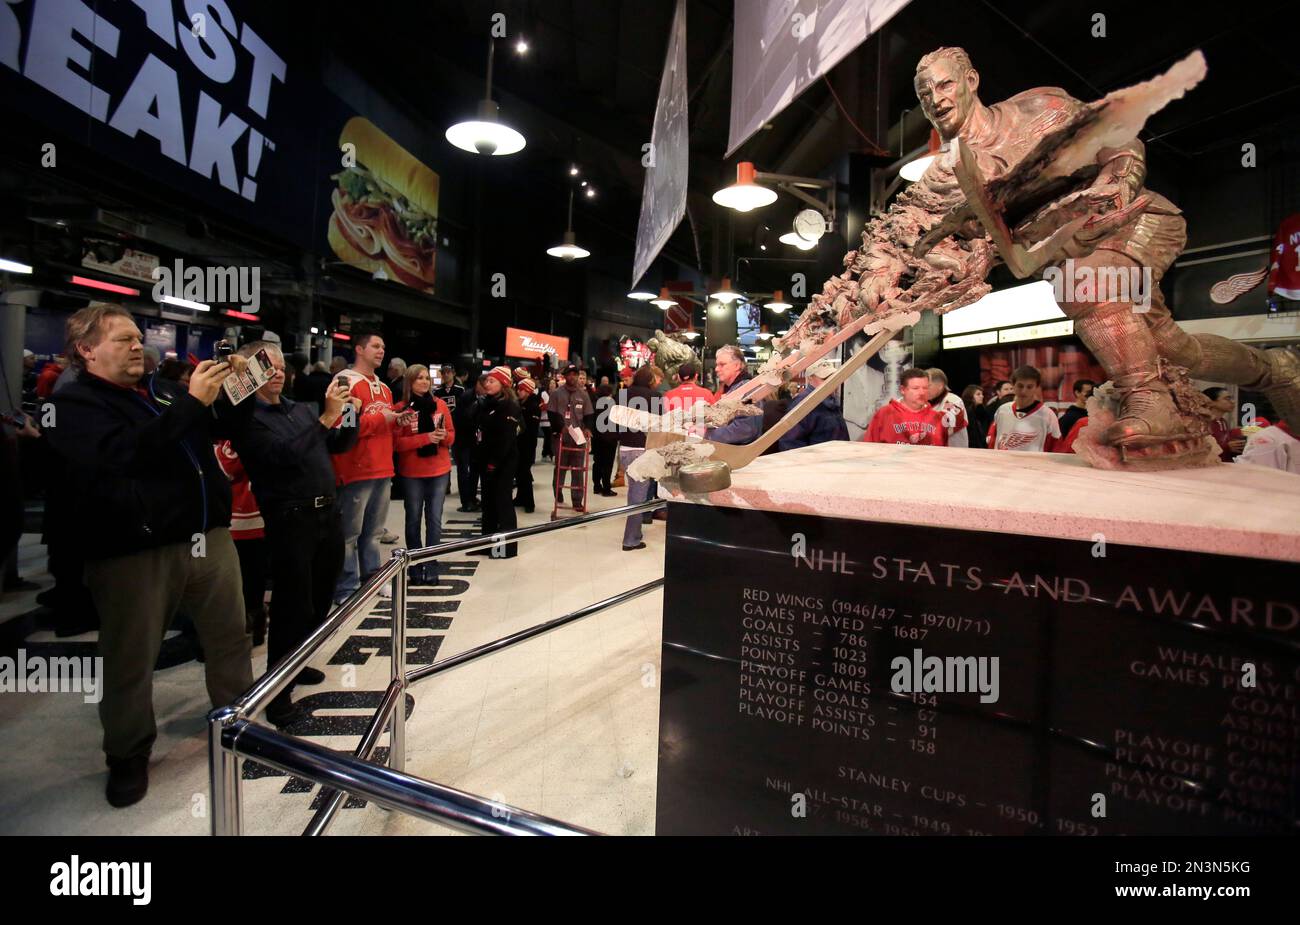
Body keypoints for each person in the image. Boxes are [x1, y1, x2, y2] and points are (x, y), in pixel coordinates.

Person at [43, 304, 254, 806]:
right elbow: (128, 456)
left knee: (229, 637)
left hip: (206, 537)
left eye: (139, 337)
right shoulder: (73, 404)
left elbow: (221, 431)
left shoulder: (161, 392)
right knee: (130, 658)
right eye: (122, 339)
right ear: (86, 349)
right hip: (134, 552)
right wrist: (191, 404)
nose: (138, 345)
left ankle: (240, 719)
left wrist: (236, 389)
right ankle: (128, 753)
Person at [227, 341, 359, 728]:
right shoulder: (246, 418)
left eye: (282, 365)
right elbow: (283, 457)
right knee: (291, 606)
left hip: (326, 515)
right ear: (247, 372)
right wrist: (325, 419)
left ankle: (297, 664)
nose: (278, 372)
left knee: (320, 602)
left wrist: (346, 414)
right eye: (267, 366)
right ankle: (277, 691)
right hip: (290, 520)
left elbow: (337, 444)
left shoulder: (300, 409)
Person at [330, 332, 415, 604]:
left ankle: (371, 579)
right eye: (376, 346)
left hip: (382, 468)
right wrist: (383, 419)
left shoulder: (385, 387)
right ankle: (346, 588)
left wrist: (396, 421)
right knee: (349, 535)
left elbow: (381, 422)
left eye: (383, 346)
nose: (381, 351)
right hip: (356, 469)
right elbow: (342, 427)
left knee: (373, 533)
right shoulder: (344, 382)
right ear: (359, 349)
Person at [394, 365, 454, 584]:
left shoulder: (440, 405)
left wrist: (443, 436)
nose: (424, 381)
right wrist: (425, 438)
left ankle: (431, 564)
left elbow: (452, 436)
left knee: (435, 521)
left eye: (427, 378)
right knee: (413, 520)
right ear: (410, 382)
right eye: (419, 378)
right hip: (412, 472)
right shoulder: (401, 408)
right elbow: (397, 443)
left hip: (439, 470)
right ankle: (416, 565)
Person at [213, 439, 268, 647]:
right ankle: (243, 628)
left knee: (252, 578)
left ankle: (252, 628)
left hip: (252, 516)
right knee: (236, 581)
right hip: (230, 519)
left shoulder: (244, 435)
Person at [474, 366, 521, 557]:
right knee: (488, 504)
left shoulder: (510, 406)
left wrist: (494, 462)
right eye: (486, 381)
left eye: (492, 381)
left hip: (502, 463)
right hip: (486, 461)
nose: (487, 384)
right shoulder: (486, 403)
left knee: (503, 503)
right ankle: (485, 544)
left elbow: (506, 439)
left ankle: (507, 548)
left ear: (503, 384)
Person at [618, 367, 659, 551]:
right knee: (638, 498)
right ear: (650, 380)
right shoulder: (655, 397)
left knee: (633, 494)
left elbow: (616, 422)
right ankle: (630, 540)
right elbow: (658, 426)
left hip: (625, 449)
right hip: (643, 450)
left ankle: (636, 533)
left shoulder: (623, 394)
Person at [548, 364, 596, 512]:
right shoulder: (556, 394)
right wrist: (558, 427)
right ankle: (558, 491)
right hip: (561, 437)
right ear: (565, 376)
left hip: (578, 437)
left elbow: (588, 415)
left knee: (578, 470)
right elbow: (551, 414)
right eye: (570, 374)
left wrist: (588, 429)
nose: (573, 377)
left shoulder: (583, 394)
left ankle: (577, 500)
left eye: (575, 374)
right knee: (560, 468)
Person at [777, 360, 850, 451]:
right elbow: (789, 443)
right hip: (818, 462)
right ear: (810, 378)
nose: (831, 381)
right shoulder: (803, 403)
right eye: (825, 378)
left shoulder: (830, 399)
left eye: (833, 377)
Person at [863, 368, 947, 446]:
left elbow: (943, 451)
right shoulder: (884, 414)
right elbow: (869, 446)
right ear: (902, 390)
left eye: (925, 388)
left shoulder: (937, 417)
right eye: (916, 388)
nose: (922, 392)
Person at [989, 365, 1060, 452]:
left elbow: (1056, 447)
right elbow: (992, 441)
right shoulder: (1002, 410)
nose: (1024, 391)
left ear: (1036, 387)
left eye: (1029, 387)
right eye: (1020, 386)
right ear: (1013, 385)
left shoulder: (1048, 415)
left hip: (1033, 465)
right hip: (1002, 464)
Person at [453, 373, 482, 512]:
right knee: (464, 471)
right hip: (462, 440)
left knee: (474, 470)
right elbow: (462, 419)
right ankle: (466, 502)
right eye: (483, 385)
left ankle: (471, 497)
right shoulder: (466, 397)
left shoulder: (483, 398)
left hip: (474, 441)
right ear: (477, 385)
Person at [514, 373, 542, 511]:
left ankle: (530, 504)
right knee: (519, 473)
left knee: (524, 473)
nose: (518, 391)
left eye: (521, 389)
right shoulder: (520, 404)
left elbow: (530, 430)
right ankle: (520, 498)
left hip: (527, 446)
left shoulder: (533, 406)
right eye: (518, 389)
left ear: (528, 390)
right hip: (518, 444)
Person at [927, 368, 968, 448]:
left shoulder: (953, 400)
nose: (924, 390)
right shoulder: (926, 404)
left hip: (953, 457)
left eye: (928, 386)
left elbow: (942, 424)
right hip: (932, 456)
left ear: (940, 386)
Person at [1203, 387, 1242, 462]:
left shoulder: (1223, 421)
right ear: (1211, 402)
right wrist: (1226, 447)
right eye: (1227, 399)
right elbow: (1202, 449)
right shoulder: (1204, 422)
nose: (1233, 402)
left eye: (1232, 398)